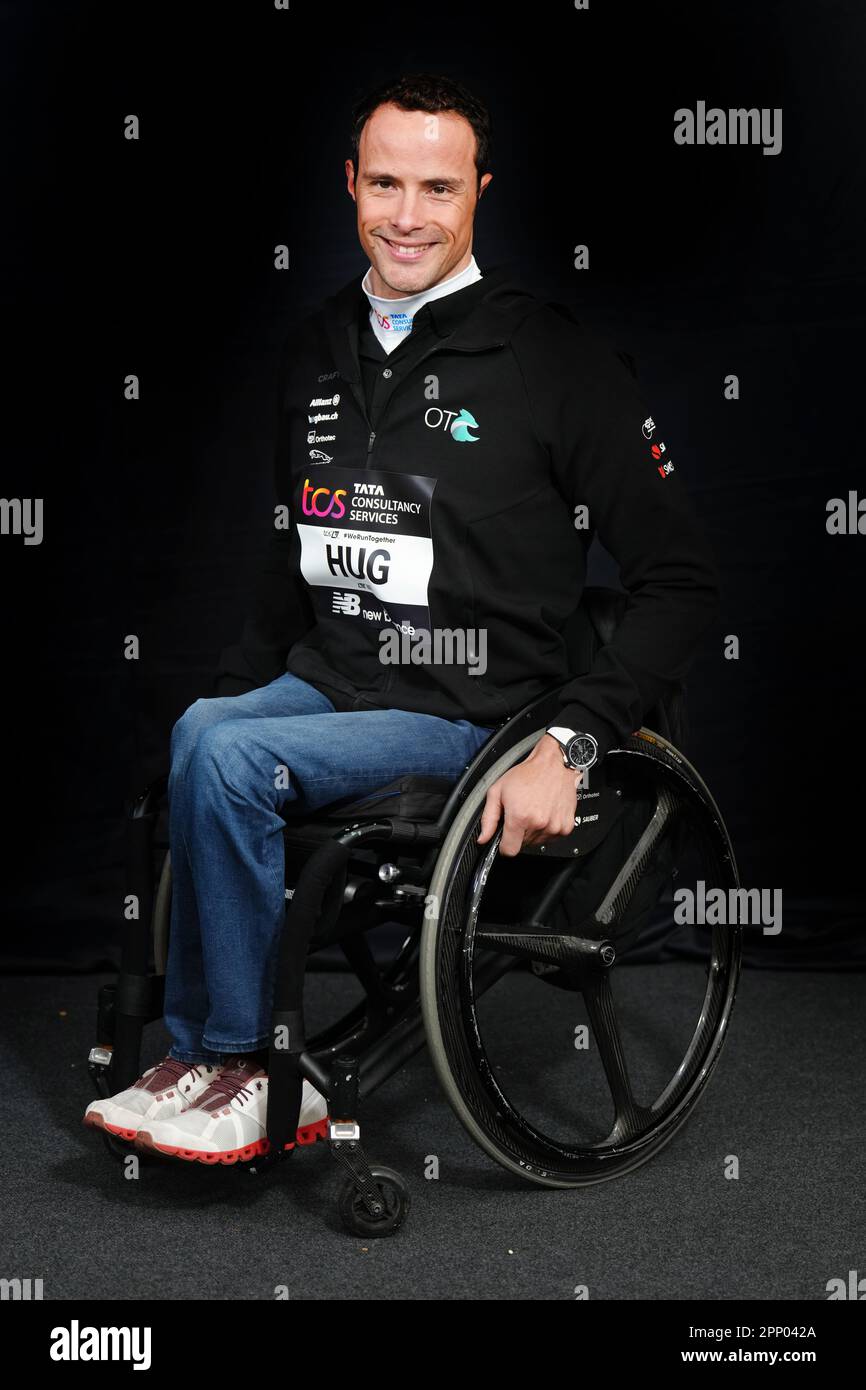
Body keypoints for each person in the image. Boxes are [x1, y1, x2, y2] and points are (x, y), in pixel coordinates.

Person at [84, 72, 720, 1164]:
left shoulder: (553, 361)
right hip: (334, 679)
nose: (408, 215)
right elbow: (293, 566)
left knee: (229, 762)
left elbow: (680, 583)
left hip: (470, 711)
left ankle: (242, 1063)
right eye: (385, 183)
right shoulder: (316, 346)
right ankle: (197, 1053)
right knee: (201, 733)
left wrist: (568, 743)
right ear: (349, 185)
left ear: (478, 191)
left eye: (436, 186)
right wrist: (233, 690)